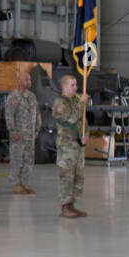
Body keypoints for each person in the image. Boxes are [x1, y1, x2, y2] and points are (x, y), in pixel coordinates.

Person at [53, 74, 88, 218]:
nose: (76, 88)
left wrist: (86, 135)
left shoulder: (76, 100)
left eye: (76, 85)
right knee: (67, 176)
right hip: (66, 146)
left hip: (78, 145)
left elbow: (82, 122)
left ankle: (72, 205)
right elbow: (71, 118)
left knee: (78, 177)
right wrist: (81, 103)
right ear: (64, 86)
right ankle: (65, 206)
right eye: (72, 85)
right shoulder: (61, 103)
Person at [4, 71, 40, 194]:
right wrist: (13, 131)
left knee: (29, 160)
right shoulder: (13, 96)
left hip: (30, 136)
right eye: (26, 79)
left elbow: (37, 114)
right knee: (17, 159)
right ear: (19, 81)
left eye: (29, 79)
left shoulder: (32, 96)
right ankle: (16, 184)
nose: (29, 82)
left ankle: (24, 184)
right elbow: (9, 115)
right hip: (18, 135)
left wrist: (37, 128)